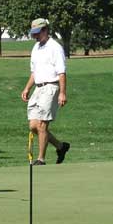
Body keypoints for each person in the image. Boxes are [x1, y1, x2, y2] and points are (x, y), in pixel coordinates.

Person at [20, 18, 70, 166]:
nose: (35, 36)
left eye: (37, 33)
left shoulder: (55, 47)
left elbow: (61, 72)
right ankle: (61, 147)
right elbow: (34, 72)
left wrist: (62, 93)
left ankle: (41, 159)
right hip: (38, 88)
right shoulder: (36, 48)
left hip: (51, 87)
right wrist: (27, 88)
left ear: (45, 30)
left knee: (42, 125)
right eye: (33, 33)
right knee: (33, 126)